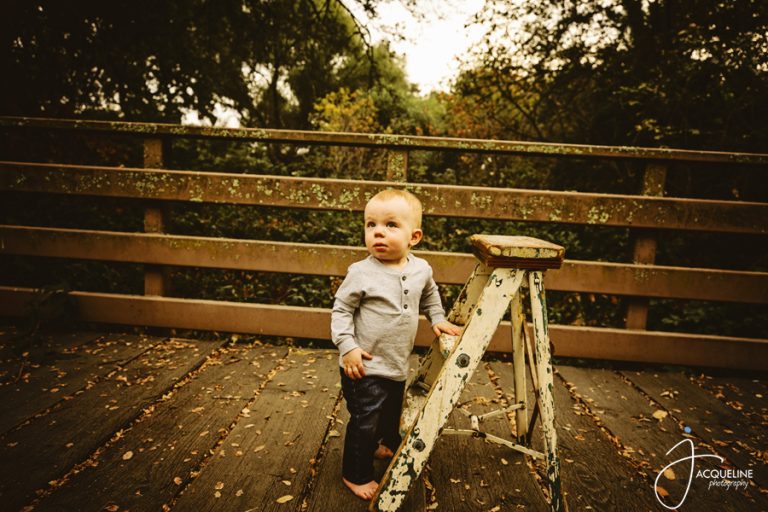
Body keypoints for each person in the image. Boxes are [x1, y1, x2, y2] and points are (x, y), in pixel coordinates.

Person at [331, 189, 461, 500]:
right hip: (363, 364)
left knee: (390, 411)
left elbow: (429, 295)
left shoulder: (421, 270)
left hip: (396, 363)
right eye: (370, 224)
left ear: (414, 236)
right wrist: (347, 346)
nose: (377, 231)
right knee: (365, 420)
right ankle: (356, 473)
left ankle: (384, 444)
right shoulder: (361, 273)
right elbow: (341, 310)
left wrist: (437, 318)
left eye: (390, 225)